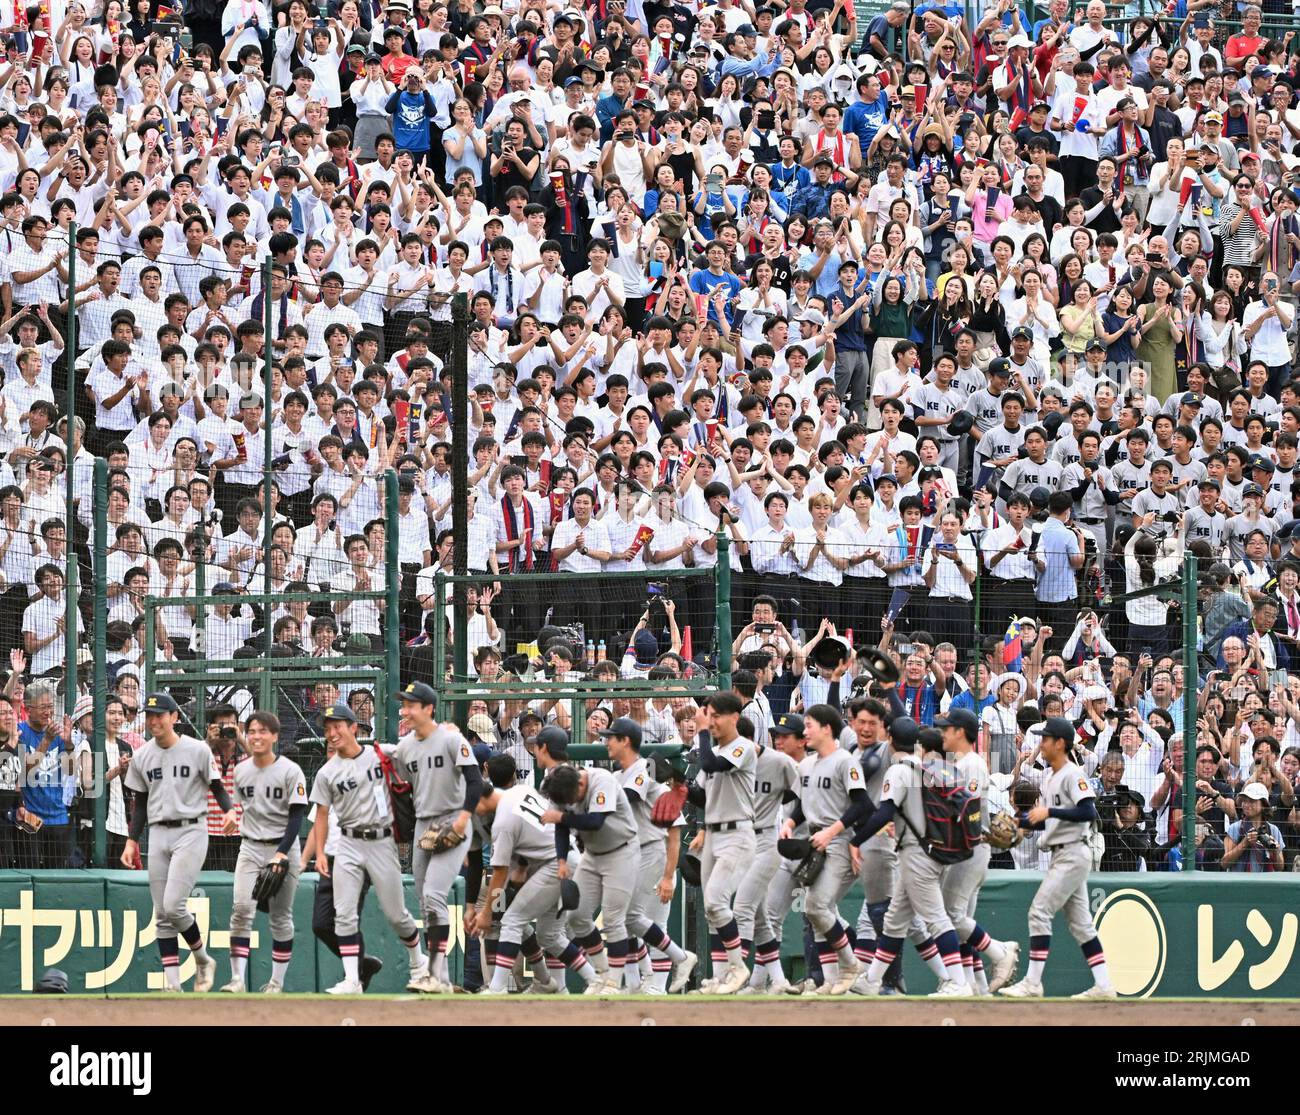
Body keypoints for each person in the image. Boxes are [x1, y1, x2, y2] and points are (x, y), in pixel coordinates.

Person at [307, 702, 427, 995]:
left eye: (337, 726)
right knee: (343, 913)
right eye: (327, 729)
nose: (332, 733)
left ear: (353, 728)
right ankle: (352, 980)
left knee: (396, 913)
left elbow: (415, 751)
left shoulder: (380, 753)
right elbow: (321, 814)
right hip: (347, 843)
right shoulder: (326, 772)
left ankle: (418, 963)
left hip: (382, 841)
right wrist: (320, 853)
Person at [121, 692, 236, 994]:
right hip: (158, 832)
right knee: (162, 914)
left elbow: (217, 787)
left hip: (191, 830)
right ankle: (173, 985)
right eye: (149, 715)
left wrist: (230, 811)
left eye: (160, 714)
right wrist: (132, 840)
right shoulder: (143, 755)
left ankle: (202, 959)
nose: (154, 720)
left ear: (175, 718)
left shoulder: (197, 749)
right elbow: (140, 803)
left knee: (174, 905)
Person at [999, 716, 1116, 999]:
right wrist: (1021, 822)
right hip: (1062, 852)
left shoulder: (1072, 773)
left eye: (1045, 739)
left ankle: (1033, 983)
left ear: (1060, 743)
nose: (1041, 743)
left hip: (1073, 852)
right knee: (1081, 925)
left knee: (1039, 912)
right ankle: (1104, 986)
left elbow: (1088, 812)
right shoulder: (1052, 777)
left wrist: (1049, 813)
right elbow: (1047, 821)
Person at [394, 681, 484, 993]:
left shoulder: (451, 738)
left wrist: (463, 818)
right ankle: (441, 979)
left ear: (429, 708)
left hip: (453, 818)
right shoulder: (405, 747)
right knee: (424, 901)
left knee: (434, 895)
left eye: (411, 704)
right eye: (404, 705)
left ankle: (432, 973)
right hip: (423, 823)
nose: (404, 710)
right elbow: (399, 783)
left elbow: (475, 782)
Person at [221, 710, 308, 994]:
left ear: (274, 736)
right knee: (241, 911)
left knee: (280, 916)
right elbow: (238, 806)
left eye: (263, 731)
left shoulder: (290, 770)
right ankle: (237, 980)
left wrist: (282, 853)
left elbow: (296, 817)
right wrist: (233, 814)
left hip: (284, 848)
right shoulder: (241, 770)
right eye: (252, 731)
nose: (256, 736)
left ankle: (276, 983)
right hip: (250, 847)